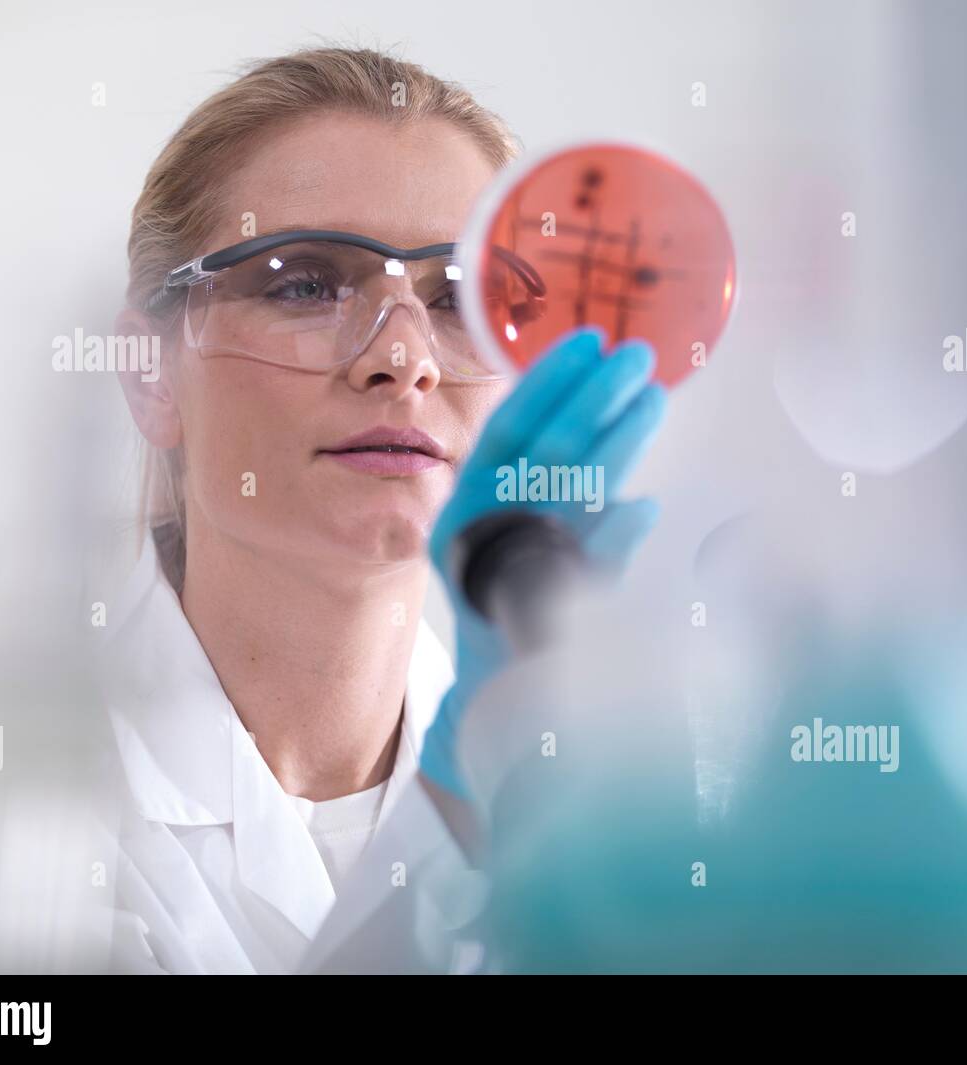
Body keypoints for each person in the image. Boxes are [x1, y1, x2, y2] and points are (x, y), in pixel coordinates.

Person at [104, 45, 666, 973]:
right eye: (304, 282)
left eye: (460, 298)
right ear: (150, 372)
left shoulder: (598, 792)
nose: (405, 356)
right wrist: (456, 805)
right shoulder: (0, 794)